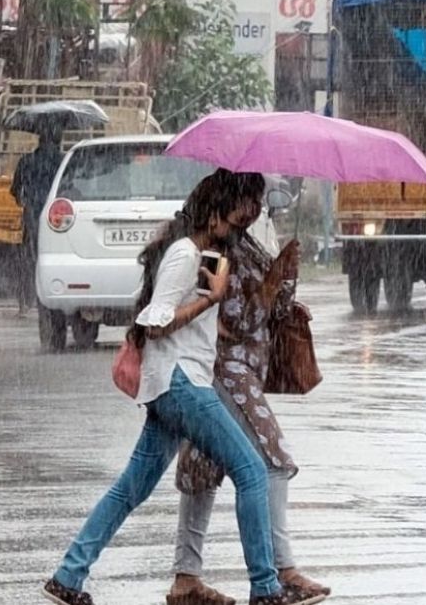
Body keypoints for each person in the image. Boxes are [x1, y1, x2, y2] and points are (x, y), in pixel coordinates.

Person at [43, 170, 288, 605]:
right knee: (250, 473)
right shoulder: (184, 253)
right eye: (235, 221)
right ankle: (266, 589)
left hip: (172, 383)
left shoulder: (205, 254)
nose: (239, 229)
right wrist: (208, 301)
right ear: (214, 212)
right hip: (182, 383)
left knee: (130, 489)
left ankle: (68, 576)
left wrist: (243, 302)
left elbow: (199, 328)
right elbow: (154, 323)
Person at [167, 175, 330, 605]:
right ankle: (283, 570)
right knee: (272, 460)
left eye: (258, 199)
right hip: (224, 372)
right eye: (246, 200)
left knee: (201, 470)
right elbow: (228, 320)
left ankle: (186, 579)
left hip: (247, 370)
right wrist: (272, 283)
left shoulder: (246, 242)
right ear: (225, 201)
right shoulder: (213, 249)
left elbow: (270, 310)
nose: (254, 208)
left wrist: (286, 276)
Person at [10, 128, 65, 312]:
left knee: (30, 258)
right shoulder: (63, 162)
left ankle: (26, 300)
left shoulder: (26, 161)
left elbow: (15, 190)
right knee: (57, 256)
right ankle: (53, 294)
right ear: (58, 142)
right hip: (57, 217)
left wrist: (24, 200)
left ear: (39, 141)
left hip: (32, 214)